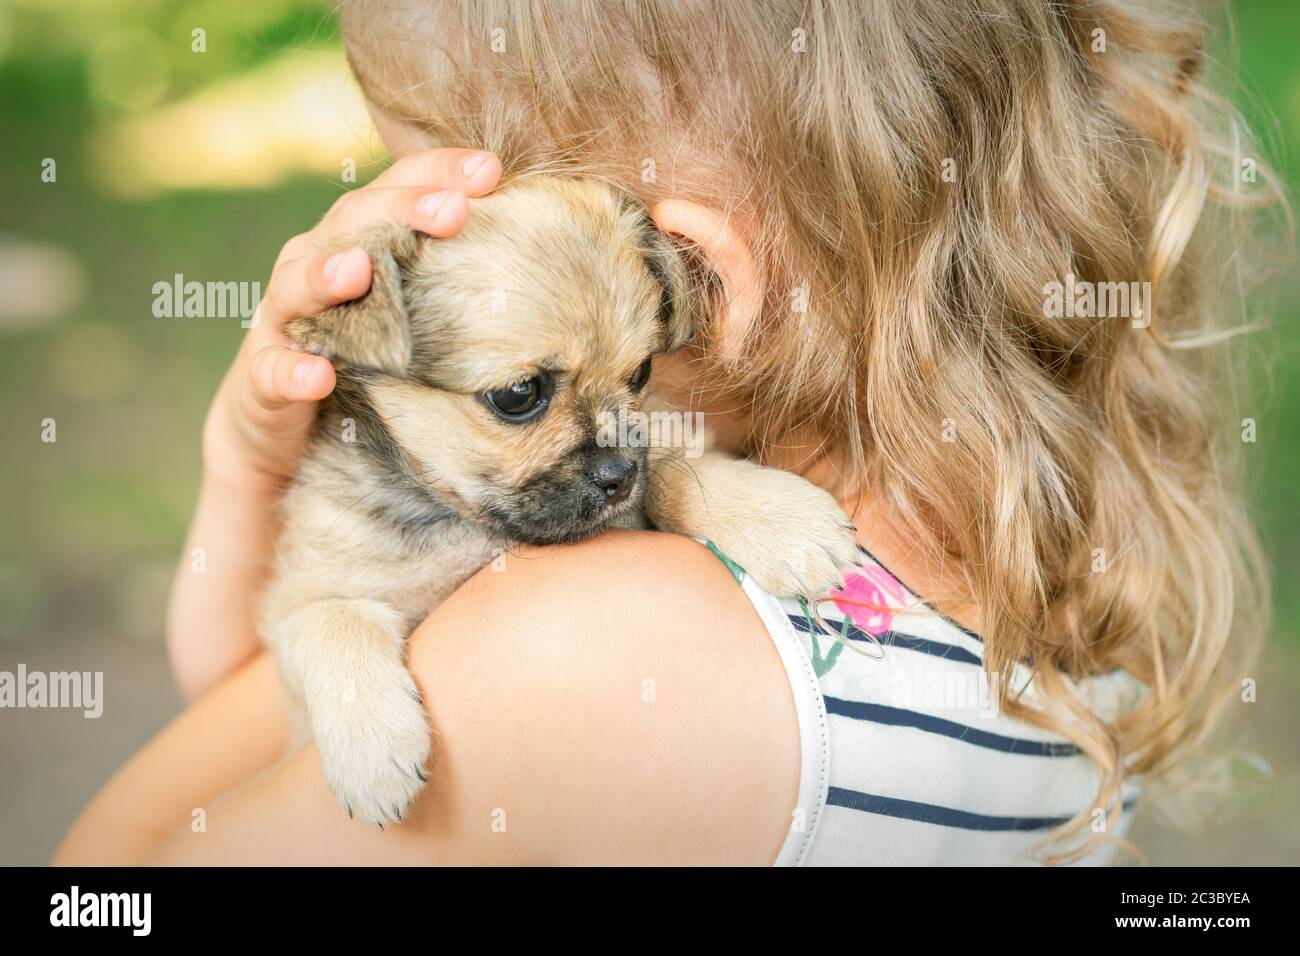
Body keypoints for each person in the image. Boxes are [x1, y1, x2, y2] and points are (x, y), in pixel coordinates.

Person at [55, 0, 1276, 866]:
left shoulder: (577, 652)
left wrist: (242, 466)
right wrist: (255, 467)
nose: (602, 455)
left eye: (441, 188)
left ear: (689, 269)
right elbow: (278, 702)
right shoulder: (1069, 582)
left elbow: (118, 855)